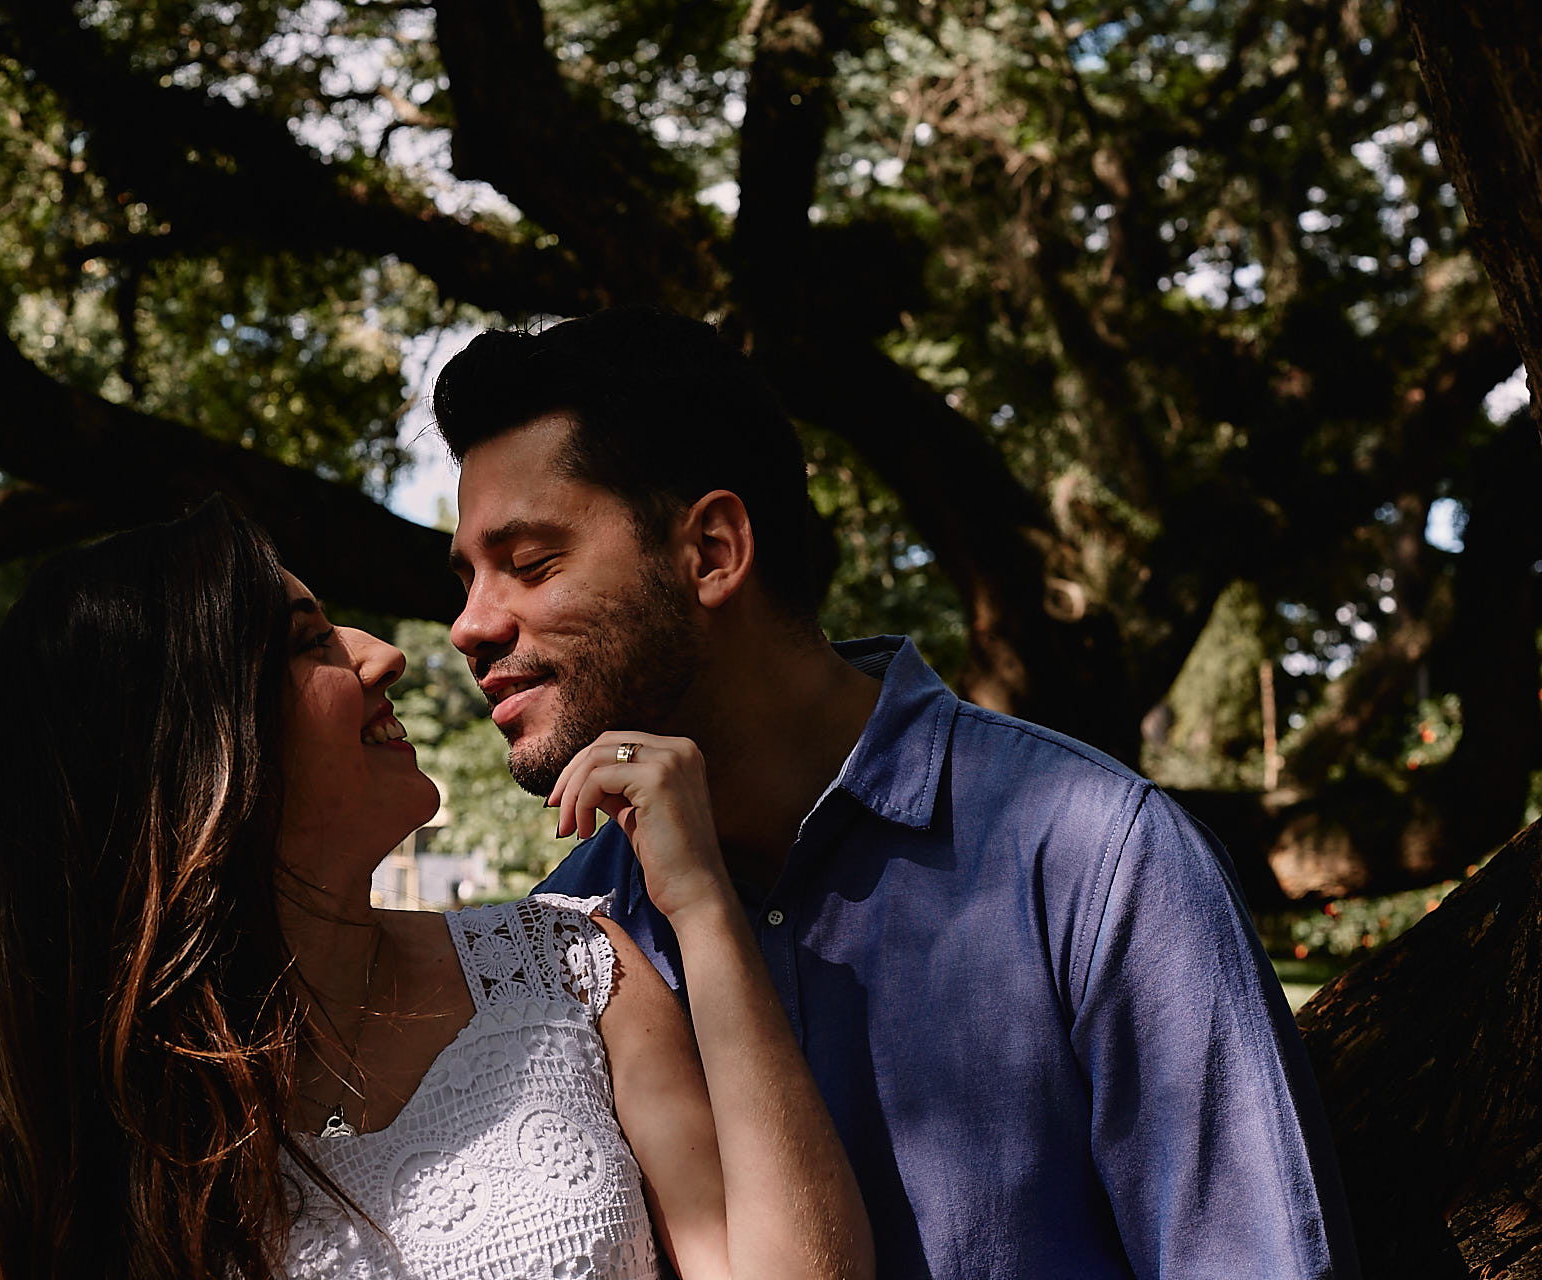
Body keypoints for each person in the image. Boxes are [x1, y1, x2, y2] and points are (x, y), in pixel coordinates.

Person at [435, 306, 1361, 1279]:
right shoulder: (573, 944)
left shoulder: (1095, 857)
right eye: (464, 579)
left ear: (710, 550)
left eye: (530, 563)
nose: (468, 626)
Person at [0, 498, 871, 1280]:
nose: (382, 653)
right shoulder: (42, 1171)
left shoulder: (572, 975)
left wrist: (703, 909)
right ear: (183, 750)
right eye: (307, 643)